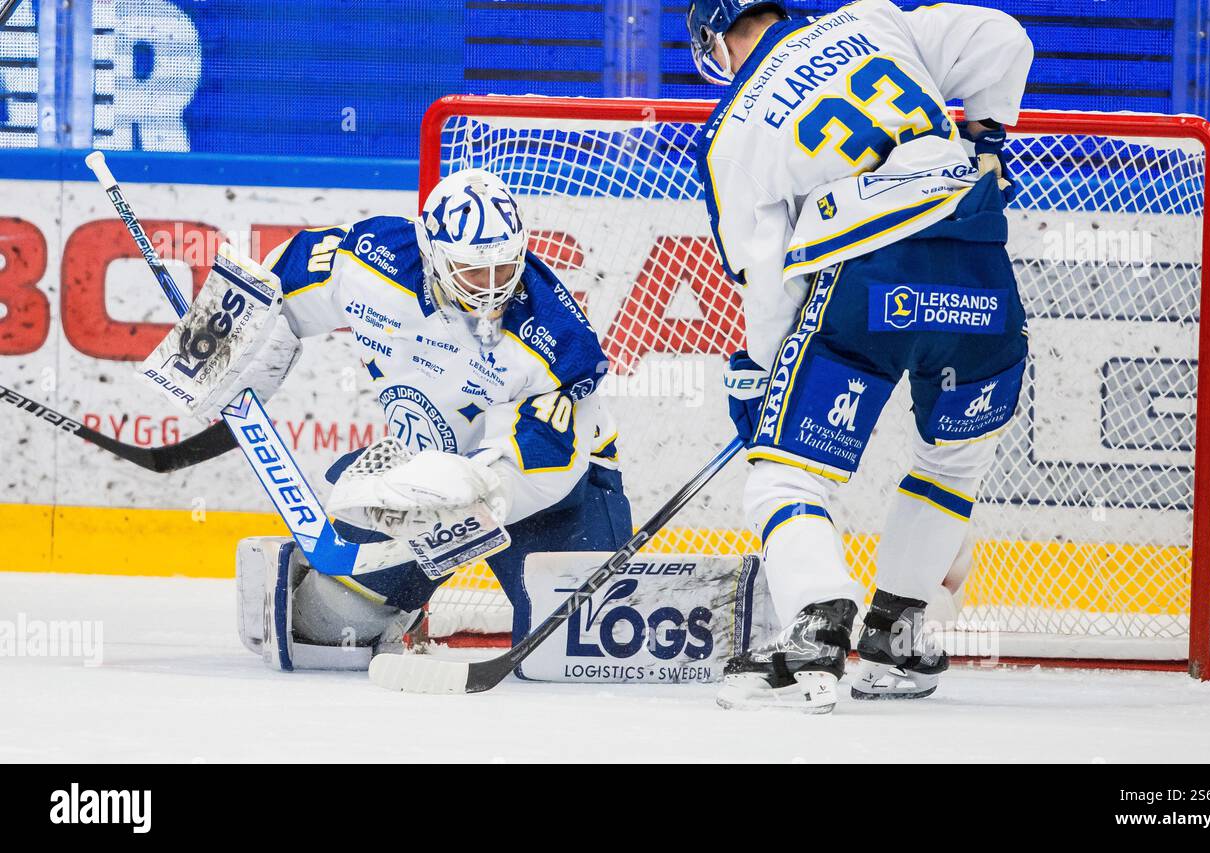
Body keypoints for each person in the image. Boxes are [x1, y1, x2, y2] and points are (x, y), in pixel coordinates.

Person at [687, 0, 1034, 711]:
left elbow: (766, 277)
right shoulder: (872, 18)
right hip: (978, 261)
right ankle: (896, 635)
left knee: (785, 476)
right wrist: (988, 135)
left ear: (717, 39)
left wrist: (762, 377)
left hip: (871, 272)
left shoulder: (733, 132)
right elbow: (1004, 39)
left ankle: (816, 630)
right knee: (952, 461)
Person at [228, 168, 630, 669]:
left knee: (582, 651)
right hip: (420, 483)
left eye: (503, 270)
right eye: (471, 271)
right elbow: (279, 278)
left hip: (551, 496)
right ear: (433, 256)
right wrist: (224, 333)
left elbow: (552, 459)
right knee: (325, 631)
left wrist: (472, 486)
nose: (490, 289)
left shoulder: (557, 340)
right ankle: (397, 607)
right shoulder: (374, 259)